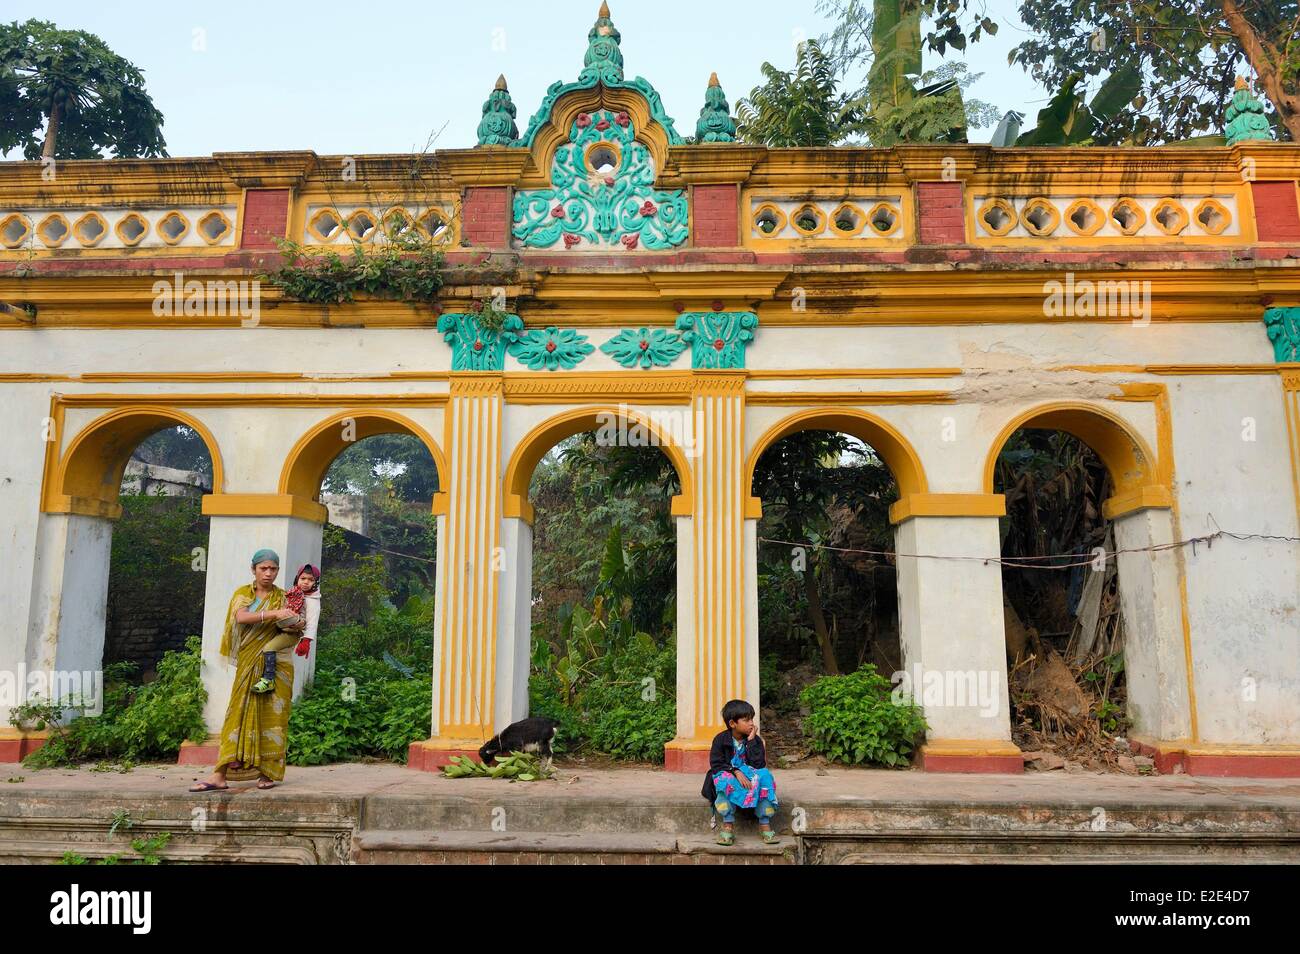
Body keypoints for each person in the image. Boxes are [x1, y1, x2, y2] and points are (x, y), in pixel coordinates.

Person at [188, 549, 301, 793]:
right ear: (254, 570)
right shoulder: (243, 593)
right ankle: (219, 774)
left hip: (276, 666)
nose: (268, 573)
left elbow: (294, 627)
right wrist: (274, 614)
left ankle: (268, 773)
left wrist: (297, 622)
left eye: (273, 569)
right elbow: (241, 617)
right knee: (236, 715)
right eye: (263, 568)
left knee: (273, 718)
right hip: (249, 663)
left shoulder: (284, 597)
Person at [702, 699, 780, 846]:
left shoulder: (754, 739)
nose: (751, 723)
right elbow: (716, 764)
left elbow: (759, 764)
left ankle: (764, 824)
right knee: (725, 780)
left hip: (749, 777)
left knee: (765, 776)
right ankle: (728, 825)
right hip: (729, 774)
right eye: (746, 720)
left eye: (752, 719)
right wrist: (735, 771)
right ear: (732, 724)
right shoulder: (720, 740)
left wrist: (751, 742)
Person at [252, 564, 320, 693]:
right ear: (297, 578)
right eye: (303, 578)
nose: (306, 582)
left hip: (292, 632)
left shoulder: (313, 600)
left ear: (315, 582)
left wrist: (306, 641)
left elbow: (312, 622)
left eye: (310, 580)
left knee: (269, 648)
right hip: (279, 626)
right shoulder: (293, 592)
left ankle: (268, 680)